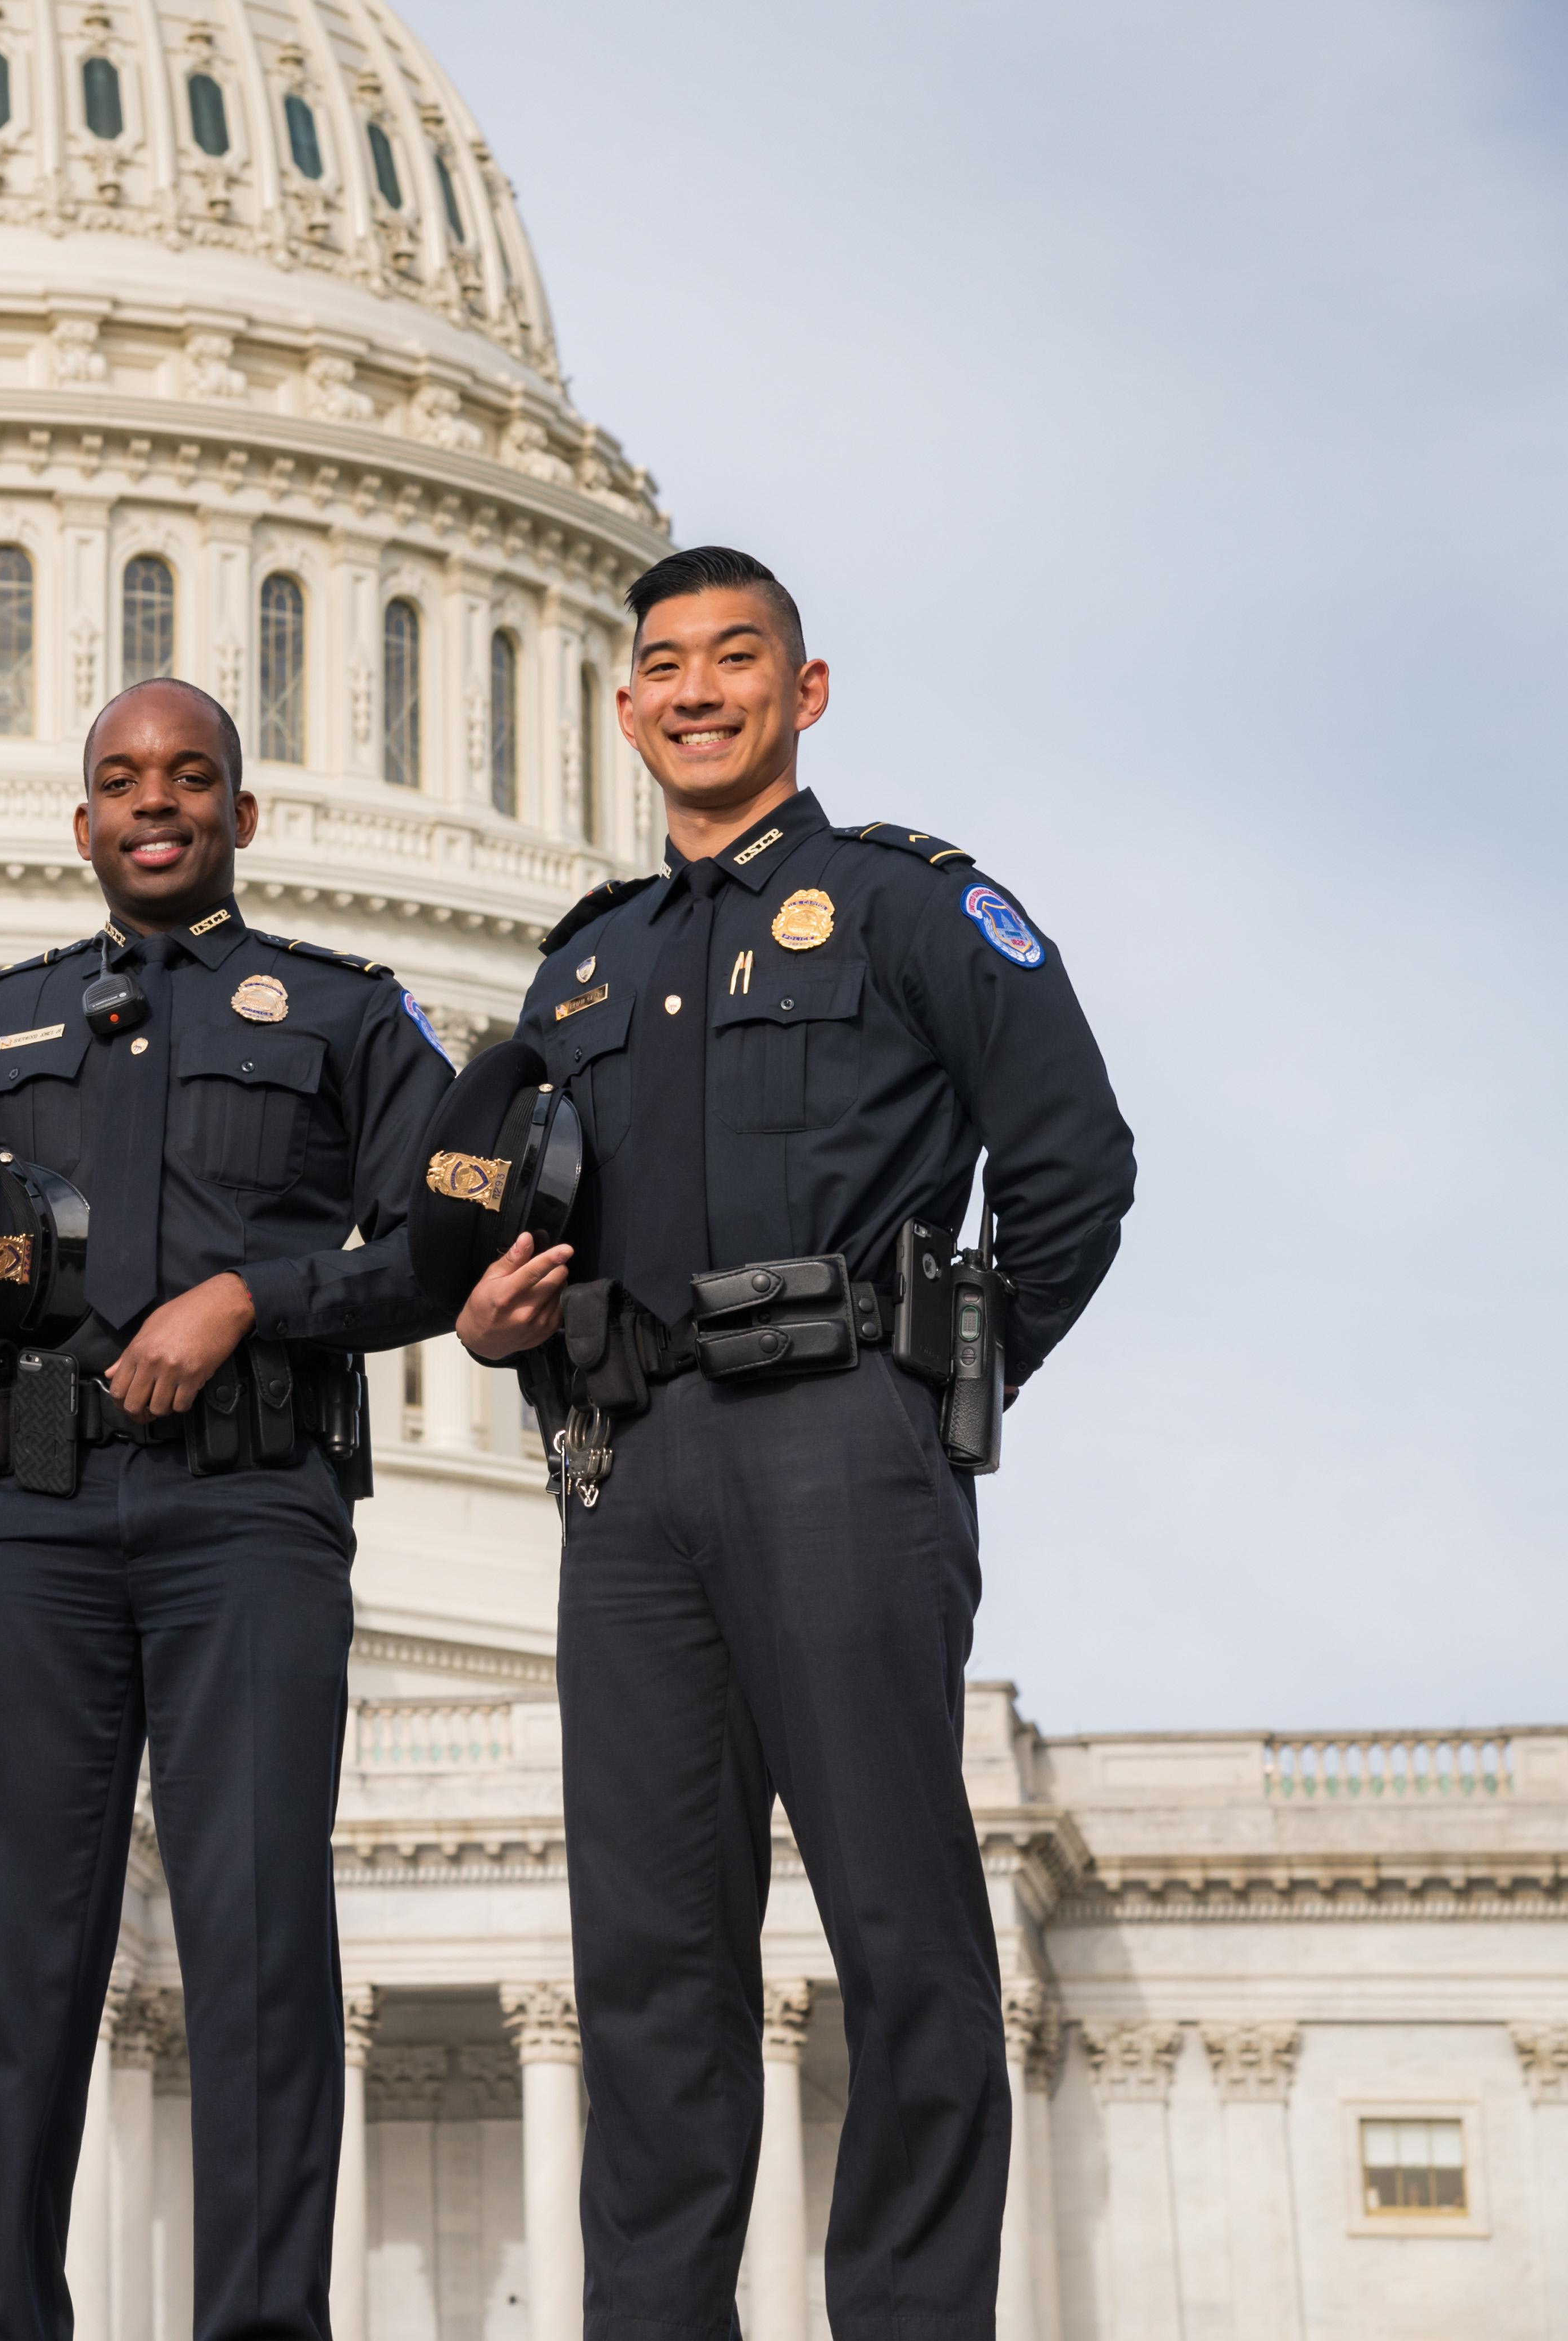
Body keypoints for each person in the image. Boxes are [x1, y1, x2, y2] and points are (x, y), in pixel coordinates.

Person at [455, 546, 1134, 2336]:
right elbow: (517, 1231)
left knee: (904, 1943)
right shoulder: (580, 972)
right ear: (623, 709)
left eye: (735, 658)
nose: (696, 690)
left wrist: (934, 1384)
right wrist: (512, 1336)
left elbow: (1075, 1164)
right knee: (653, 1977)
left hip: (843, 1440)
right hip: (633, 1484)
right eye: (664, 664)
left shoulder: (909, 906)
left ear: (803, 692)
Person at [0, 678, 459, 2341]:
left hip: (246, 1513)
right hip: (36, 1523)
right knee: (21, 1959)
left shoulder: (344, 1018)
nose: (156, 803)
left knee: (258, 1943)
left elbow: (439, 1248)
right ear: (85, 822)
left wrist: (253, 1298)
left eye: (191, 777)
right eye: (122, 780)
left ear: (242, 817)